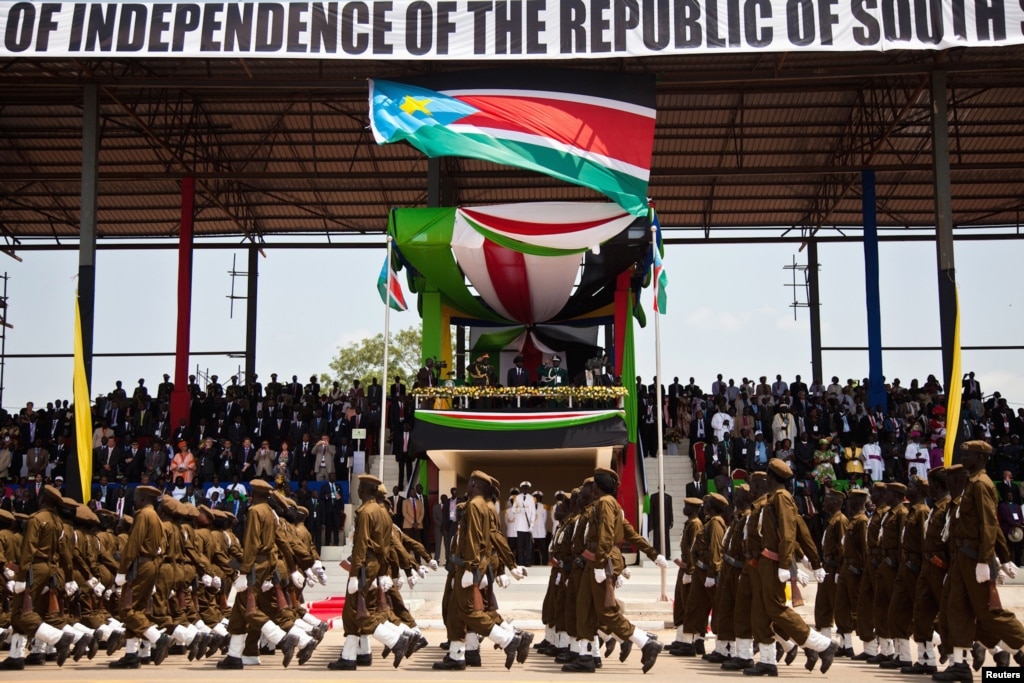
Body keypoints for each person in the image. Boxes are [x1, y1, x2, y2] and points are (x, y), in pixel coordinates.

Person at [431, 470, 531, 671]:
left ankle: (508, 639)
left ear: (475, 484)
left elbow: (474, 538)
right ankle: (457, 654)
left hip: (469, 566)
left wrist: (471, 567)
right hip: (469, 565)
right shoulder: (484, 506)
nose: (466, 486)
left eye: (469, 482)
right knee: (456, 611)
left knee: (470, 611)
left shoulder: (475, 505)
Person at [512, 481, 536, 567]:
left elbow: (533, 512)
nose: (525, 489)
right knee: (520, 545)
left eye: (526, 488)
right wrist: (519, 510)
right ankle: (520, 561)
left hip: (528, 525)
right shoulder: (517, 497)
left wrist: (532, 525)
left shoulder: (531, 498)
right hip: (519, 525)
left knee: (528, 546)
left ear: (528, 489)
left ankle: (528, 561)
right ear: (521, 489)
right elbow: (513, 510)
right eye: (524, 488)